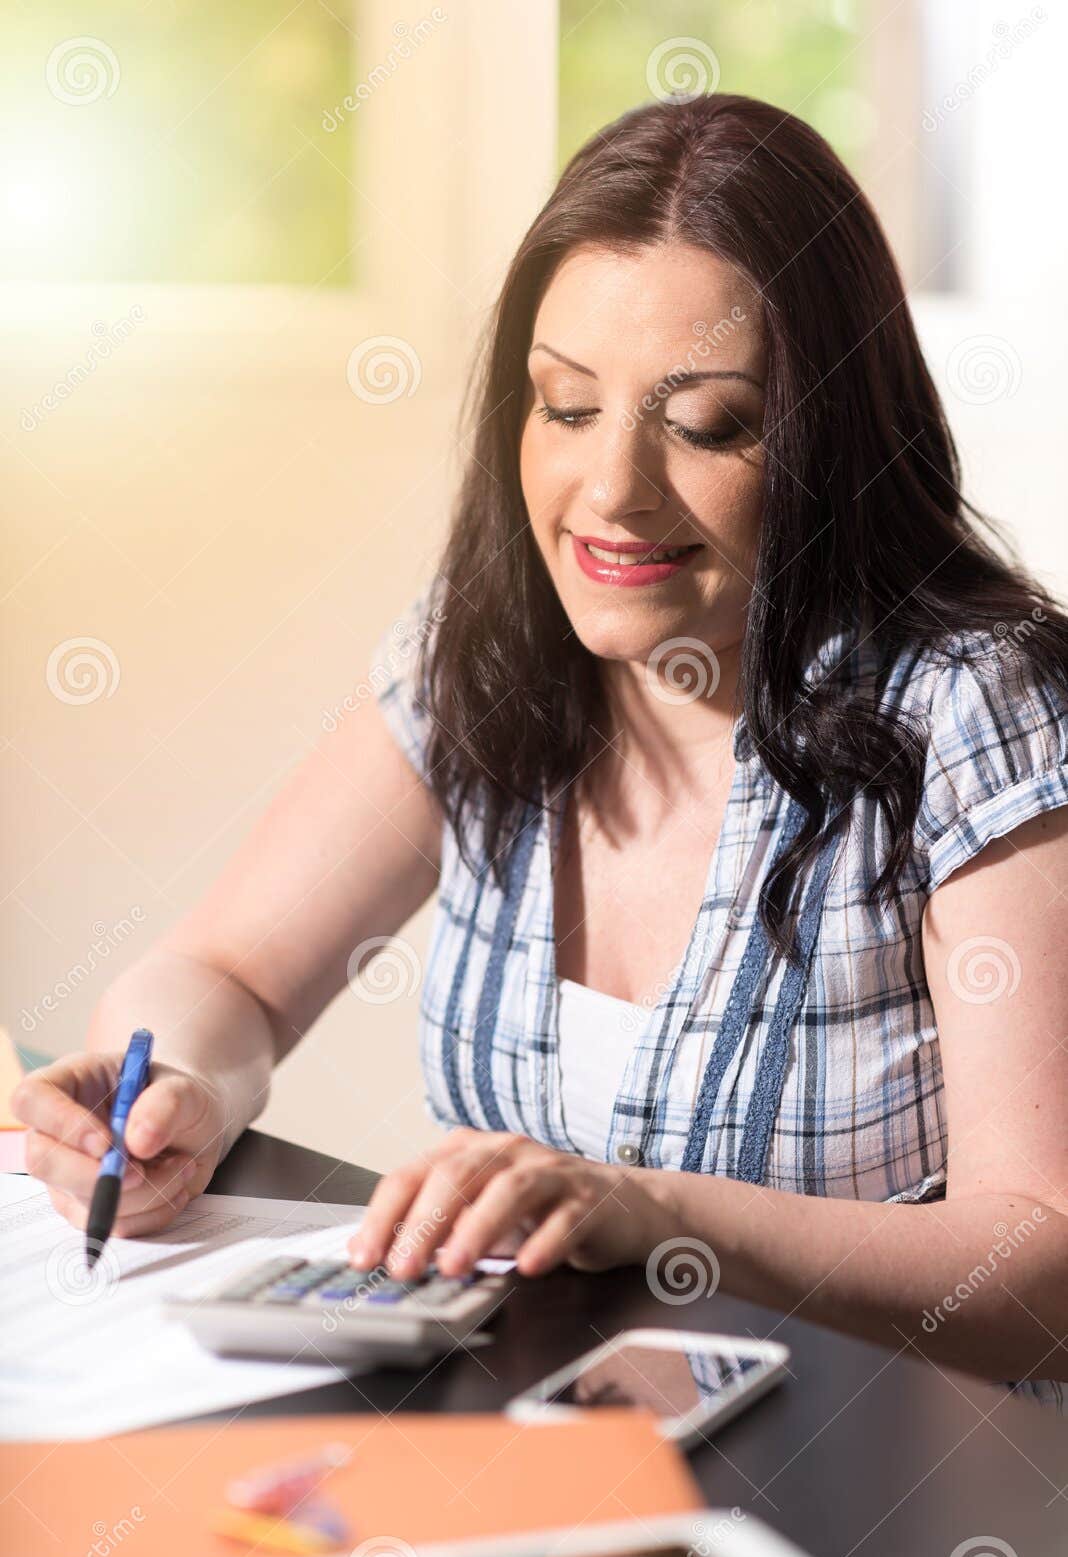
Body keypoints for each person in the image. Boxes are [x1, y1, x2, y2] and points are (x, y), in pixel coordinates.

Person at [15, 94, 1068, 1405]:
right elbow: (229, 972)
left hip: (885, 1515)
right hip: (553, 1476)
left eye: (708, 422)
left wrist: (661, 1213)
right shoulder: (486, 653)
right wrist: (167, 1091)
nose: (612, 490)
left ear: (832, 439)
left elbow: (1043, 1273)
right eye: (566, 406)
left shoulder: (975, 705)